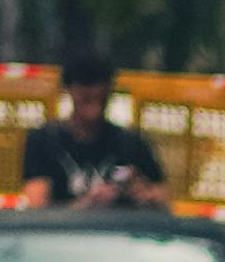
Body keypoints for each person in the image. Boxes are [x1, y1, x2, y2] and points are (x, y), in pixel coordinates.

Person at [17, 51, 167, 210]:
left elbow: (165, 202)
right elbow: (37, 208)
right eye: (86, 95)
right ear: (68, 90)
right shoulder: (44, 141)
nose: (95, 96)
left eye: (100, 95)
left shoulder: (131, 143)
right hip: (62, 233)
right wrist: (88, 204)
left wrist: (143, 193)